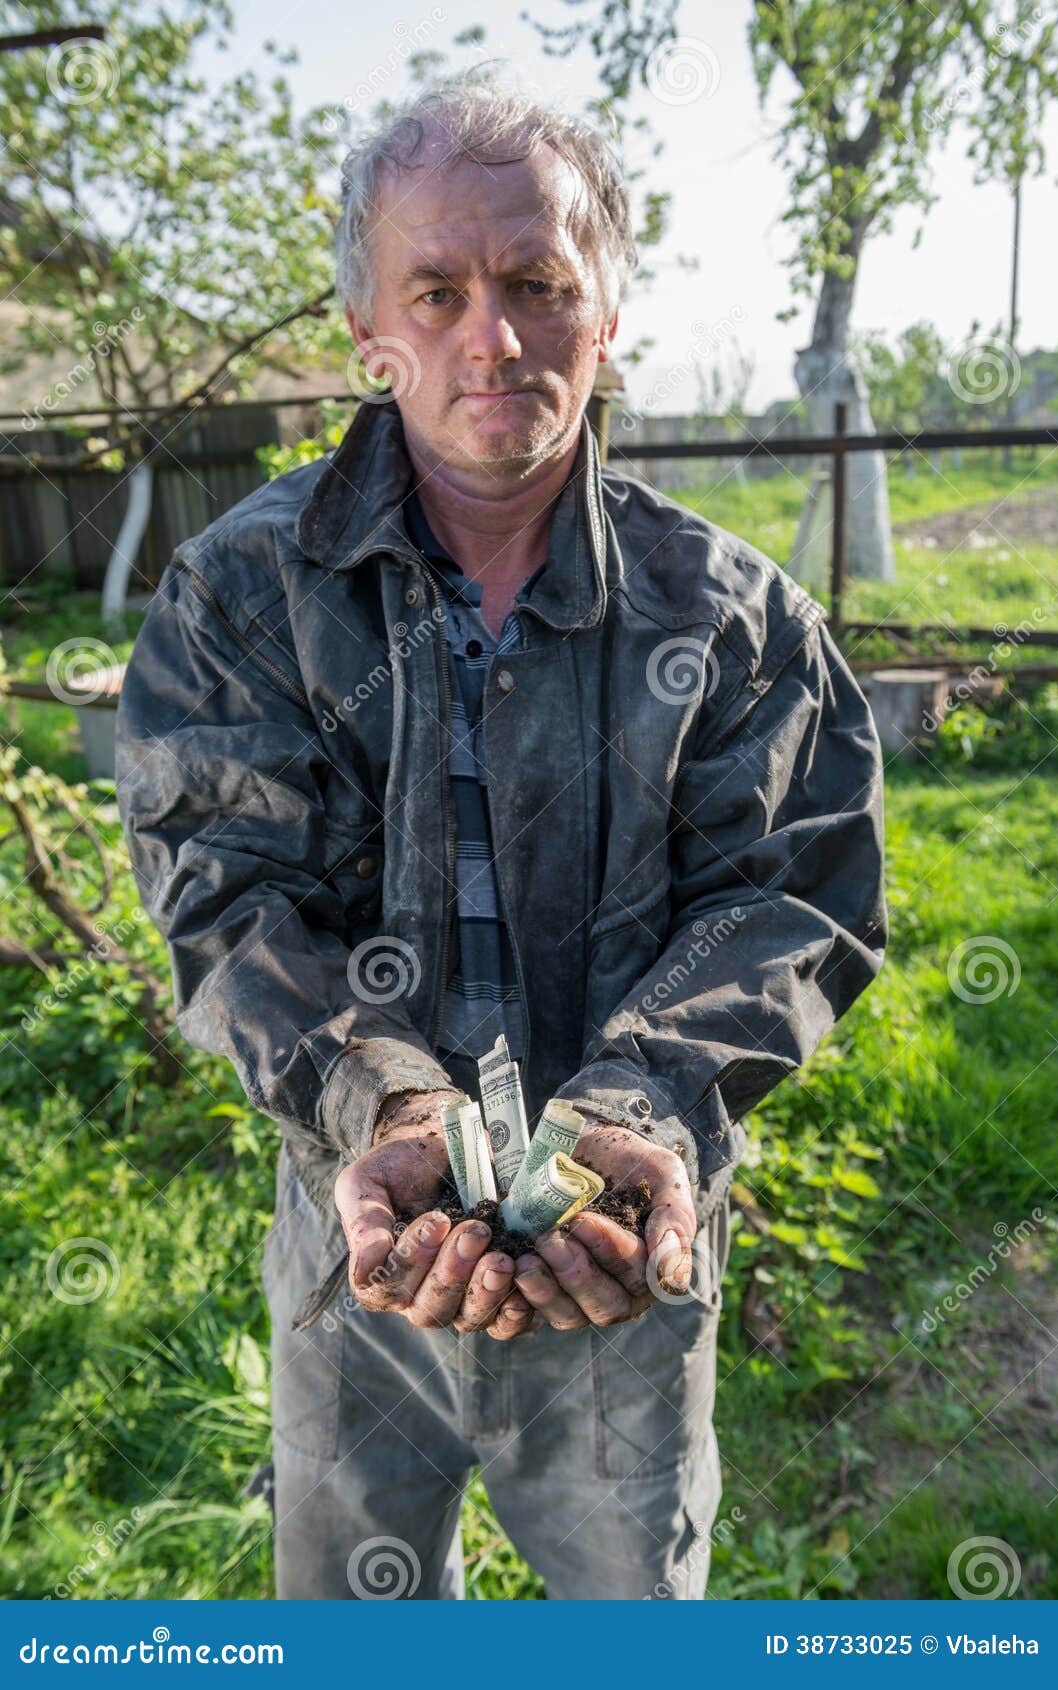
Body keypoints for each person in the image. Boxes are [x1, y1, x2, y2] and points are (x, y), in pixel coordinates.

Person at [115, 69, 887, 1601]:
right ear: (371, 334)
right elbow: (228, 896)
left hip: (619, 1260)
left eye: (539, 283)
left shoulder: (732, 624)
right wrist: (384, 1106)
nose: (494, 334)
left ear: (604, 319)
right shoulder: (238, 597)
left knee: (629, 1619)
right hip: (364, 1251)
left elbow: (791, 895)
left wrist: (643, 1105)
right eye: (441, 289)